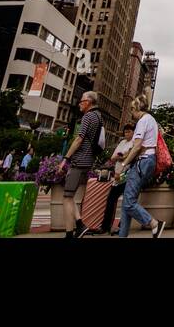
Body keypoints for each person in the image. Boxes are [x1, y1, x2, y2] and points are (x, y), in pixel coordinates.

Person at [116, 92, 165, 238]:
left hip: (142, 162)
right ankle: (122, 235)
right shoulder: (152, 120)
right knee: (127, 201)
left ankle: (154, 223)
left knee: (129, 202)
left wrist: (124, 164)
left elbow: (137, 146)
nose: (131, 112)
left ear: (137, 108)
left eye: (132, 109)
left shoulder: (143, 121)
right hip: (148, 161)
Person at [61, 90, 104, 238]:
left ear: (88, 102)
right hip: (89, 161)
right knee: (71, 196)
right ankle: (79, 225)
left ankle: (69, 233)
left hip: (79, 161)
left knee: (67, 196)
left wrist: (66, 158)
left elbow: (79, 139)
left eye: (81, 101)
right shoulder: (99, 117)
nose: (79, 103)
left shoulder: (88, 117)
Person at [100, 124, 136, 236]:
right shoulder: (122, 143)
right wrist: (121, 157)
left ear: (133, 132)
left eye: (129, 131)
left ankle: (122, 227)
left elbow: (128, 157)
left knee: (126, 202)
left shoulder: (135, 142)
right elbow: (113, 157)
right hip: (117, 175)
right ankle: (105, 226)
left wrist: (121, 157)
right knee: (110, 200)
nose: (127, 134)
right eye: (125, 132)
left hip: (127, 175)